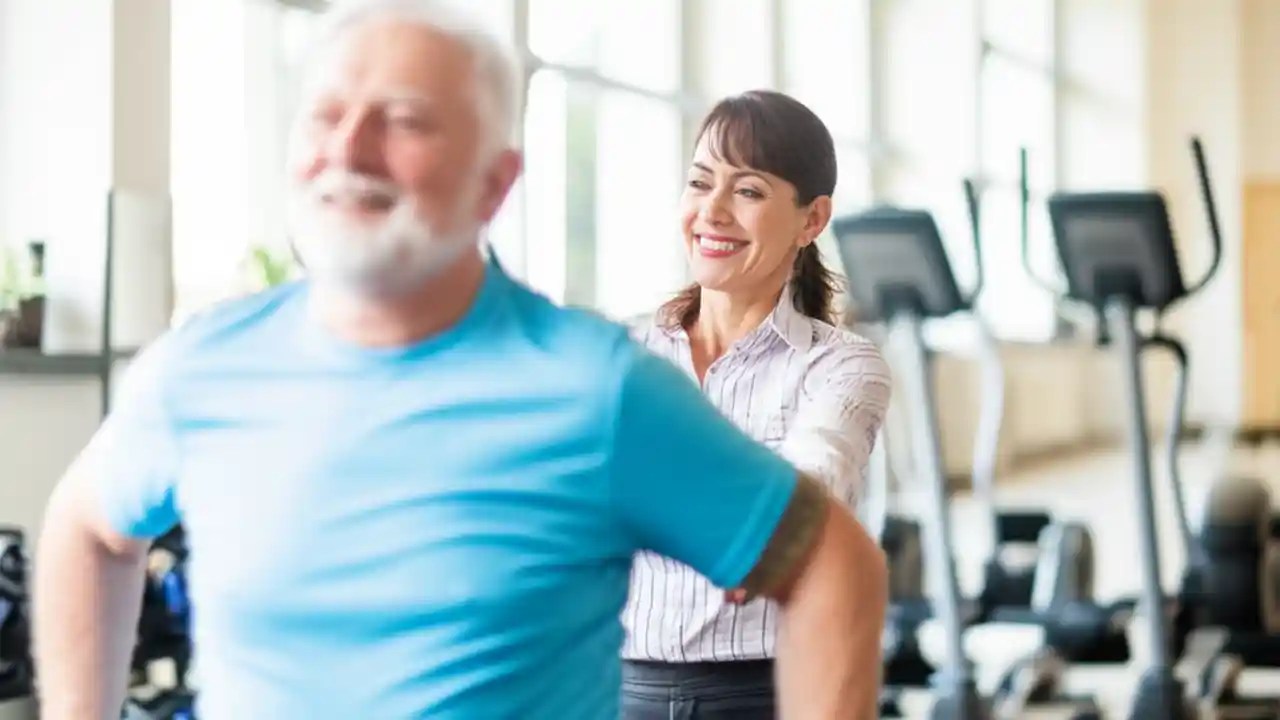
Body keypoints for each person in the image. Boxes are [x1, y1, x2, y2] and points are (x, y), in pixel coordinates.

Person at [31, 2, 888, 719]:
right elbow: (85, 527)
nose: (351, 147)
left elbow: (832, 563)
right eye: (325, 115)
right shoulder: (199, 367)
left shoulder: (599, 389)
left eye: (404, 121)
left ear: (496, 182)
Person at [620, 90, 893, 720]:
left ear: (811, 219)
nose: (711, 212)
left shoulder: (839, 366)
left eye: (747, 191)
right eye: (699, 182)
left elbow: (810, 483)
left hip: (764, 695)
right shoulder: (626, 354)